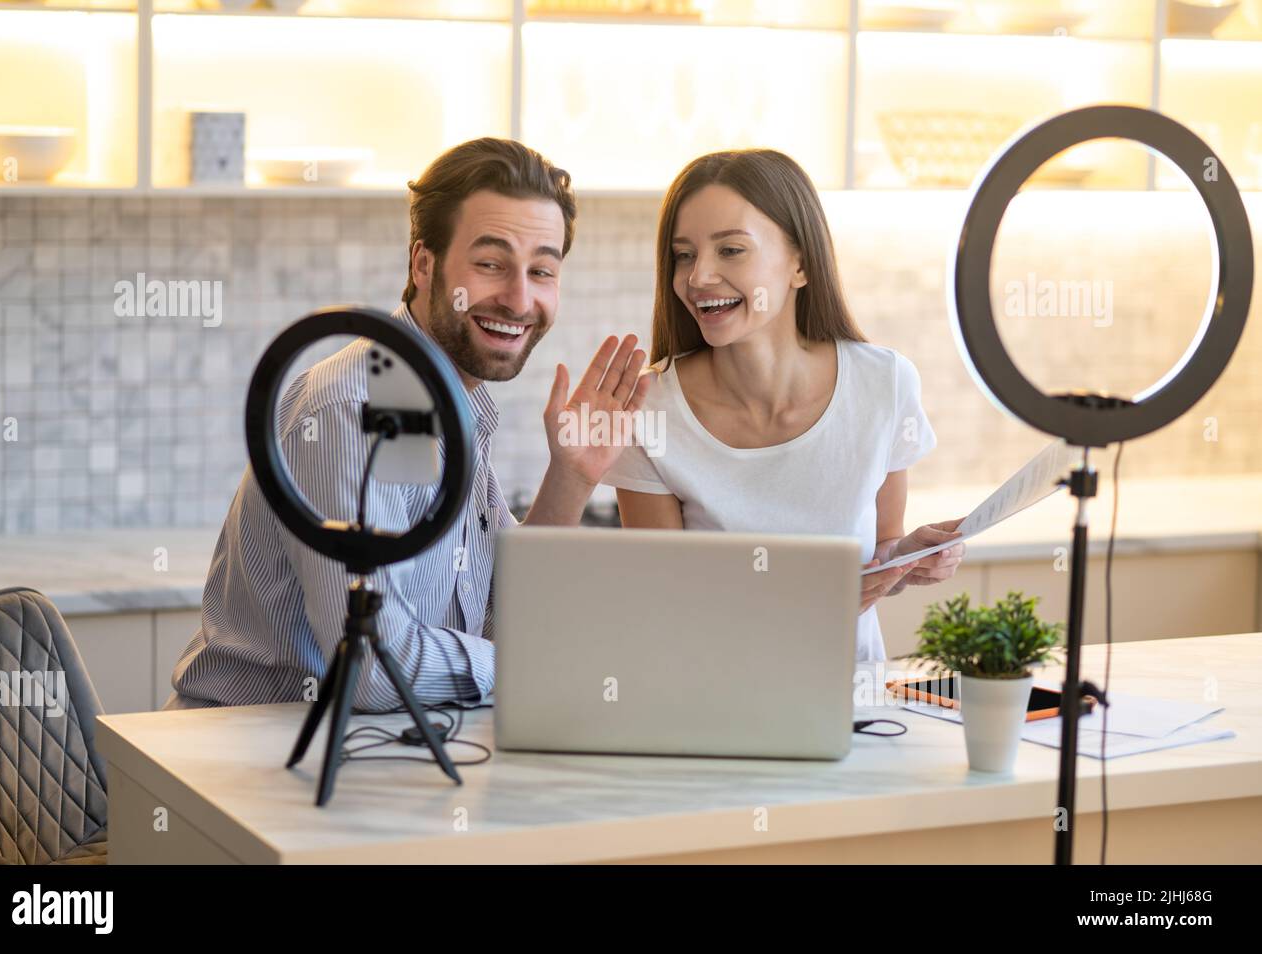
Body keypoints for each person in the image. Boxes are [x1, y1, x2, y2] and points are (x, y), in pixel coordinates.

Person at [166, 138, 649, 710]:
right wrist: (540, 661)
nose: (520, 299)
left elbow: (499, 610)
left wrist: (571, 476)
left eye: (541, 270)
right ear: (424, 264)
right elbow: (373, 670)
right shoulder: (362, 408)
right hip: (247, 757)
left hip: (374, 748)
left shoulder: (446, 402)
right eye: (491, 264)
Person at [601, 149, 966, 663]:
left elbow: (882, 547)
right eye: (684, 255)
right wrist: (809, 602)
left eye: (730, 250)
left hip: (851, 707)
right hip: (707, 704)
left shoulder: (883, 385)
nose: (698, 276)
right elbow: (664, 601)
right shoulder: (649, 408)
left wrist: (906, 559)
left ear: (800, 263)